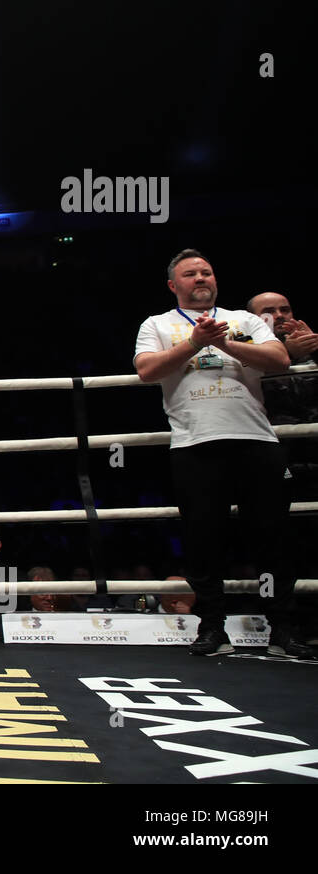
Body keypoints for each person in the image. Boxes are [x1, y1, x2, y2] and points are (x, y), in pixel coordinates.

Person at [134, 249, 312, 659]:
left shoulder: (244, 320)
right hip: (195, 444)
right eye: (190, 274)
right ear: (173, 285)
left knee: (272, 538)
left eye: (206, 272)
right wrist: (196, 342)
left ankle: (283, 629)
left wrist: (226, 342)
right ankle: (212, 626)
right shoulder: (157, 324)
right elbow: (147, 370)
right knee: (203, 540)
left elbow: (279, 358)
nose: (200, 278)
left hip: (256, 441)